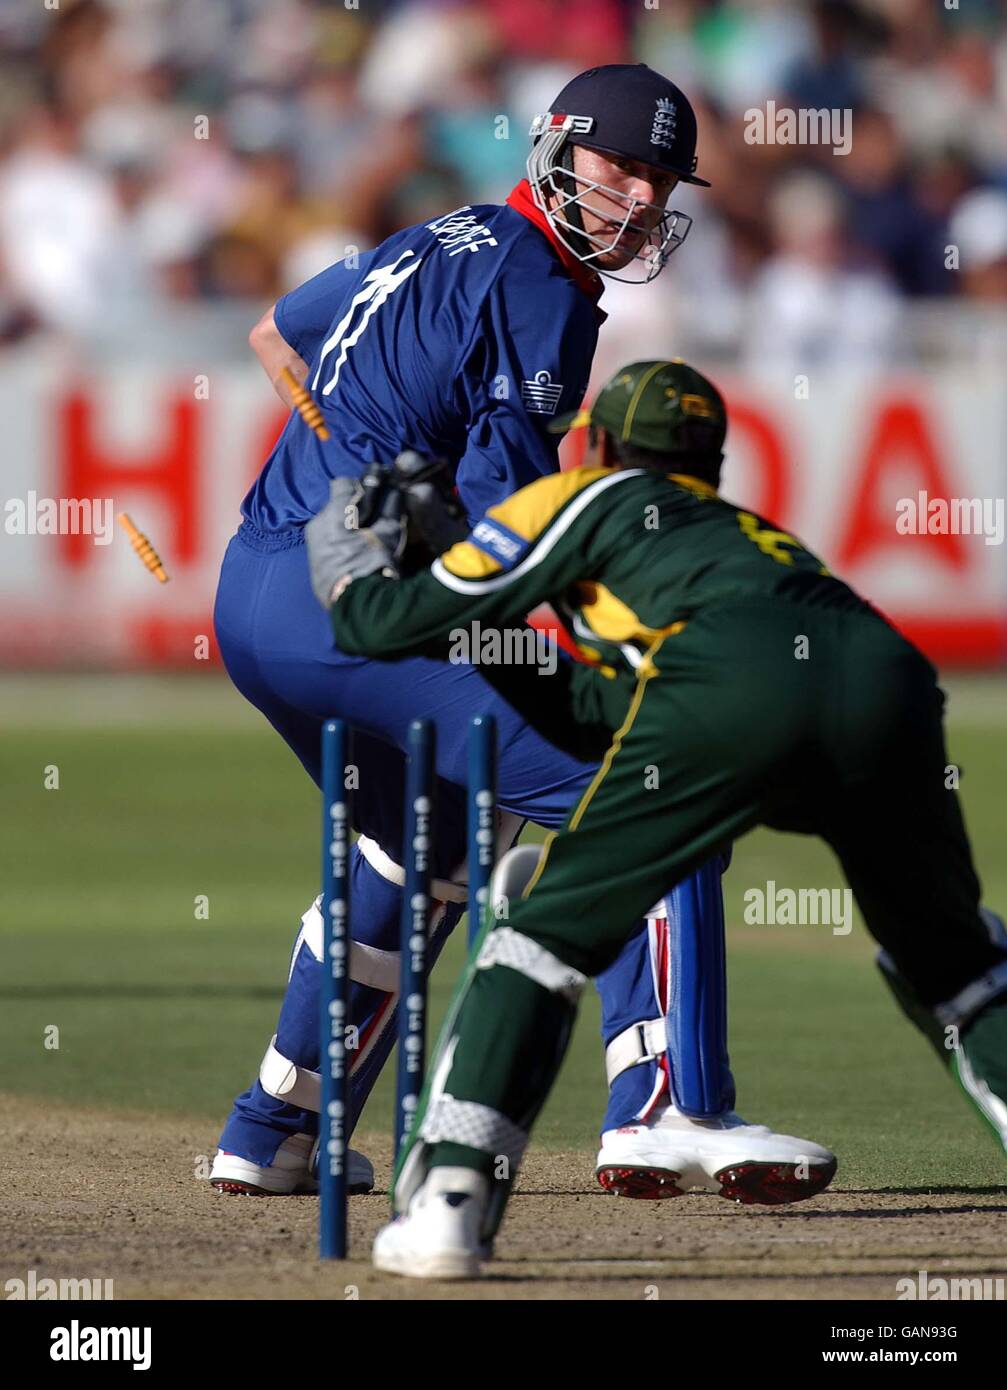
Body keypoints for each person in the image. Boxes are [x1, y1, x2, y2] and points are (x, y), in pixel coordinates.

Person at [211, 66, 832, 1204]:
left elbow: (271, 334)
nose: (638, 200)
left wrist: (359, 463)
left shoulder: (436, 232)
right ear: (552, 145)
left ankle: (275, 1131)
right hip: (354, 609)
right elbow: (515, 531)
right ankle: (665, 1105)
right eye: (618, 167)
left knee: (426, 837)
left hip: (255, 591)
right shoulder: (537, 285)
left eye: (657, 180)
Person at [303, 358, 1007, 1280]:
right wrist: (488, 627)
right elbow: (600, 713)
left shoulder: (580, 498)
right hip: (890, 681)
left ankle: (448, 1208)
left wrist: (356, 568)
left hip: (722, 687)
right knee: (955, 966)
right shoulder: (751, 536)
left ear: (597, 446)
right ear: (712, 462)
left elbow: (383, 629)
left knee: (538, 938)